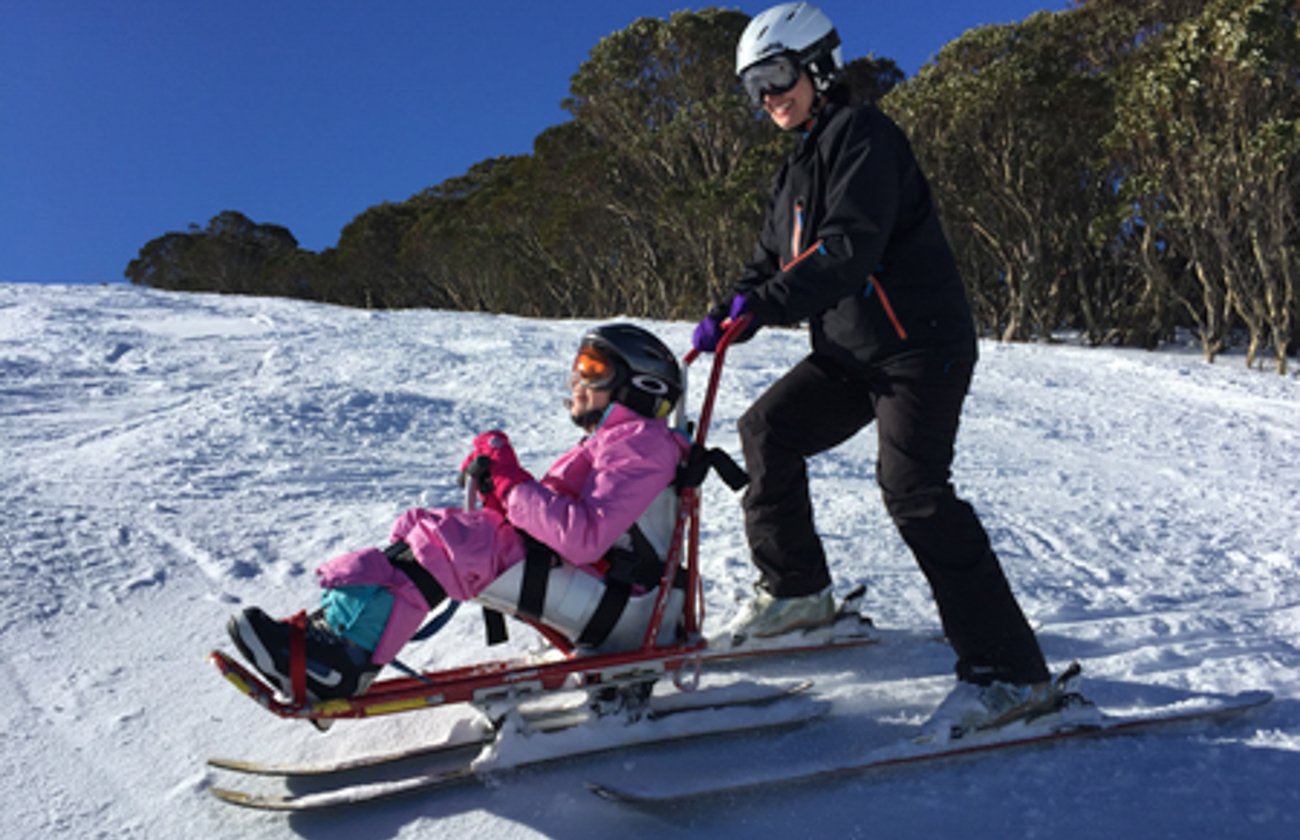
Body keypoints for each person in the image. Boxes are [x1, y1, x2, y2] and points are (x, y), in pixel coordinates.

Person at [692, 2, 1056, 727]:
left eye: (775, 75)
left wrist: (768, 306)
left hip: (919, 348)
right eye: (752, 86)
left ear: (817, 66)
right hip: (852, 354)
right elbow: (769, 259)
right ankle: (797, 594)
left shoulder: (864, 136)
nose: (767, 97)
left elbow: (846, 249)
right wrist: (731, 305)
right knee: (768, 429)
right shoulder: (796, 165)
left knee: (915, 491)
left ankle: (1011, 674)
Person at [228, 323, 691, 703]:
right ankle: (333, 638)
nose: (576, 378)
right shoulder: (616, 443)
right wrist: (498, 486)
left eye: (593, 368)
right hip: (599, 585)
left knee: (452, 545)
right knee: (429, 531)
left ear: (640, 387)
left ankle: (343, 659)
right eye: (577, 365)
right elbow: (562, 521)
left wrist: (510, 481)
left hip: (622, 603)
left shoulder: (641, 443)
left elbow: (583, 536)